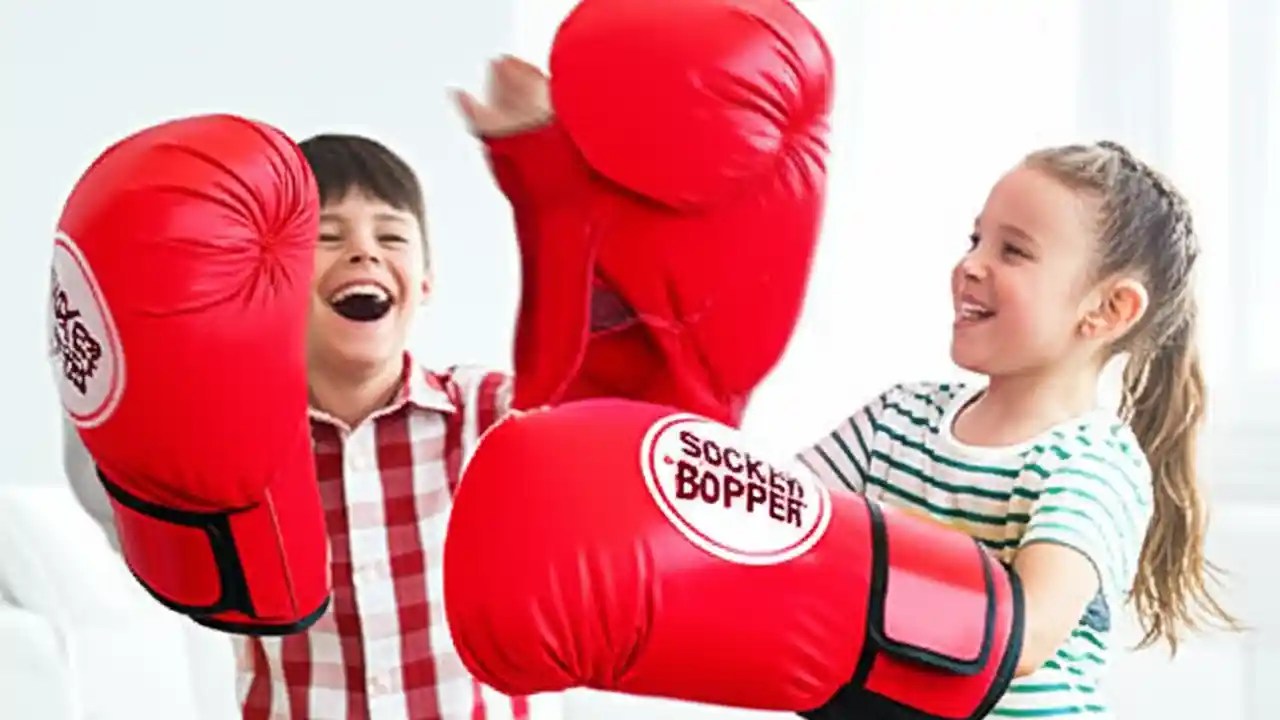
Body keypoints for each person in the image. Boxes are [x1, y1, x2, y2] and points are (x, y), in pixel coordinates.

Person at [797, 140, 1241, 716]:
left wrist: (851, 587)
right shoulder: (895, 419)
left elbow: (1024, 636)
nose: (971, 264)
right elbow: (775, 521)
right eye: (975, 239)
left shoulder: (1092, 462)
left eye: (1014, 251)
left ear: (1108, 310)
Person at [233, 122, 561, 718]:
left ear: (426, 283)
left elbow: (591, 390)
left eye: (391, 235)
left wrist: (540, 163)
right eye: (326, 236)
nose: (365, 251)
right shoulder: (238, 442)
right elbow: (122, 470)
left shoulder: (485, 414)